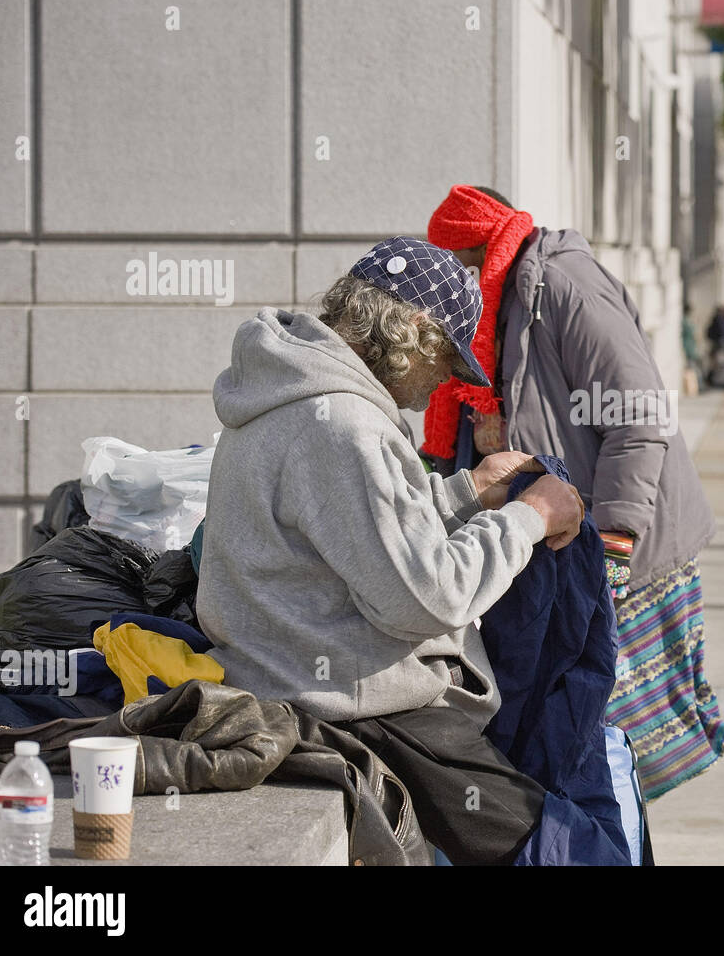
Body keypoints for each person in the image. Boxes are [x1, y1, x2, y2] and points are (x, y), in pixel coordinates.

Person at [196, 237, 636, 865]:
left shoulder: (290, 391)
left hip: (292, 675)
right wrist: (529, 518)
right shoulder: (342, 425)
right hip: (359, 706)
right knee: (566, 850)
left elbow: (355, 536)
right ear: (417, 333)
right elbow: (427, 598)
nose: (444, 386)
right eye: (449, 363)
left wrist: (471, 491)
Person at [423, 185, 724, 800]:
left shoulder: (562, 285)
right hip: (552, 549)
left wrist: (615, 544)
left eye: (461, 268)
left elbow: (639, 415)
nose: (452, 290)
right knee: (575, 744)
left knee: (621, 742)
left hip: (621, 550)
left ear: (485, 253)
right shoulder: (494, 313)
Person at [705, 303, 724, 386]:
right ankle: (713, 379)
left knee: (720, 363)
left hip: (721, 343)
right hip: (719, 343)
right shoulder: (719, 319)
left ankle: (715, 379)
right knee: (717, 363)